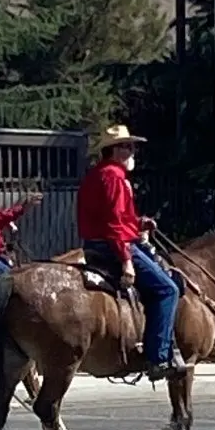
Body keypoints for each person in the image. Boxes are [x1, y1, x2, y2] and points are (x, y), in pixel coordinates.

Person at [77, 124, 186, 382]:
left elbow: (116, 218)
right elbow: (113, 224)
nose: (132, 150)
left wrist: (139, 223)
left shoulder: (97, 175)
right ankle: (158, 357)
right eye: (127, 146)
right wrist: (126, 260)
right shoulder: (115, 177)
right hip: (112, 245)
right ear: (113, 151)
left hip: (95, 242)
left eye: (132, 146)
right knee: (167, 289)